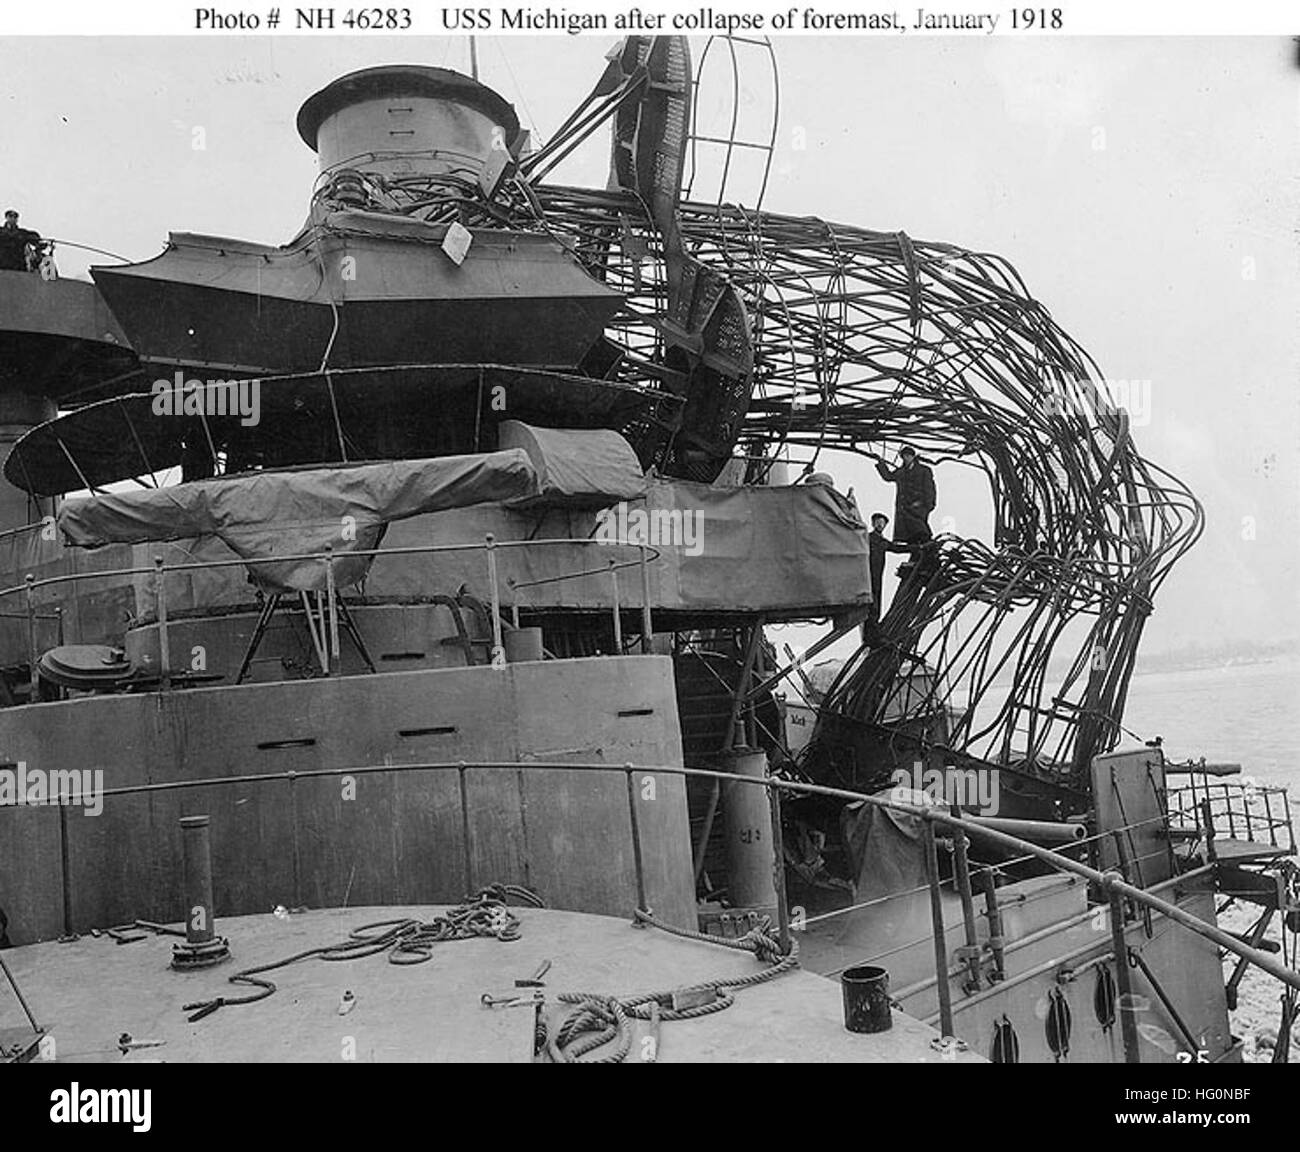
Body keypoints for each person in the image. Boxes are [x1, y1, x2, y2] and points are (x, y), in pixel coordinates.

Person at [871, 445, 936, 548]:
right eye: (904, 456)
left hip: (918, 508)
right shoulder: (901, 472)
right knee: (910, 535)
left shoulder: (924, 470)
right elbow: (888, 476)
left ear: (913, 456)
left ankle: (925, 549)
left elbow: (930, 489)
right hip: (904, 508)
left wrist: (928, 506)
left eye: (908, 456)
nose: (906, 458)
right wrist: (881, 463)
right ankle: (916, 553)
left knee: (921, 531)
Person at [865, 512, 908, 631]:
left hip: (878, 574)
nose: (880, 525)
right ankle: (871, 626)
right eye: (877, 522)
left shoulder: (883, 542)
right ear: (873, 524)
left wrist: (916, 548)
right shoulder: (867, 538)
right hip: (867, 573)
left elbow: (897, 548)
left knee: (877, 597)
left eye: (882, 523)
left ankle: (874, 624)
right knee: (870, 598)